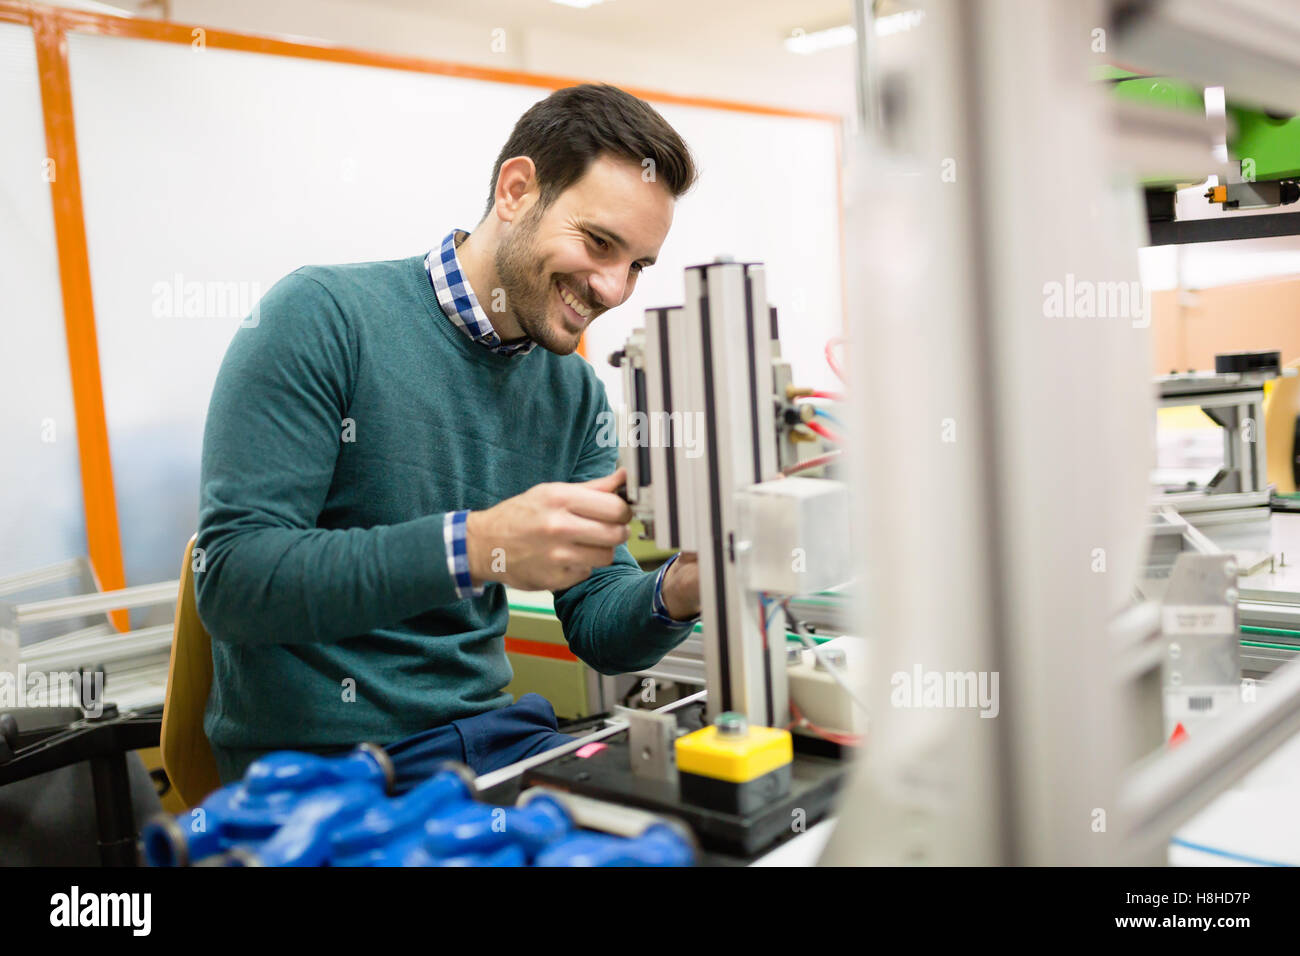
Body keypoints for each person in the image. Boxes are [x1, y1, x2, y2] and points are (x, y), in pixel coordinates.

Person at [195, 83, 703, 785]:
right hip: (335, 776)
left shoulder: (573, 391)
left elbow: (595, 616)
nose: (615, 289)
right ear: (517, 190)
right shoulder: (322, 318)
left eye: (637, 266)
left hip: (497, 747)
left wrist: (681, 587)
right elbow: (233, 580)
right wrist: (478, 547)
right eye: (598, 243)